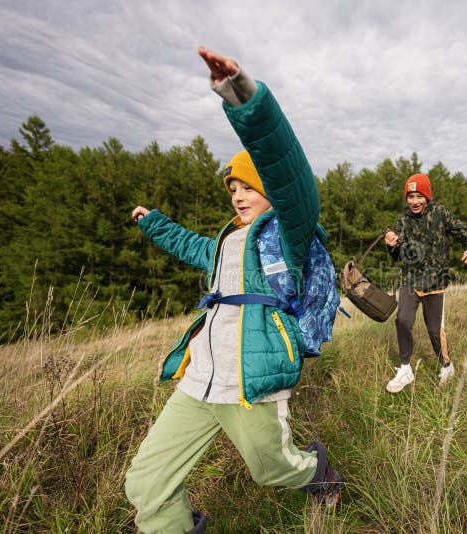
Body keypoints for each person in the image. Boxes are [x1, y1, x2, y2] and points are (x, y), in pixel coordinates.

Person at [124, 46, 343, 534]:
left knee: (272, 470)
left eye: (248, 185)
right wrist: (154, 223)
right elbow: (188, 244)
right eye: (233, 188)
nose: (239, 194)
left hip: (249, 377)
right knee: (145, 482)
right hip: (201, 373)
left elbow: (291, 176)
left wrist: (244, 100)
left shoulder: (290, 235)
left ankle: (320, 474)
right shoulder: (228, 241)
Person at [383, 173, 467, 393]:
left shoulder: (441, 213)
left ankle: (447, 365)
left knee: (435, 330)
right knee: (403, 320)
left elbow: (465, 234)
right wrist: (392, 245)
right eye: (410, 196)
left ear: (427, 196)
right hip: (410, 279)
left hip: (436, 281)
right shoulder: (403, 220)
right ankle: (405, 368)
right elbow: (398, 256)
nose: (415, 201)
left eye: (419, 196)